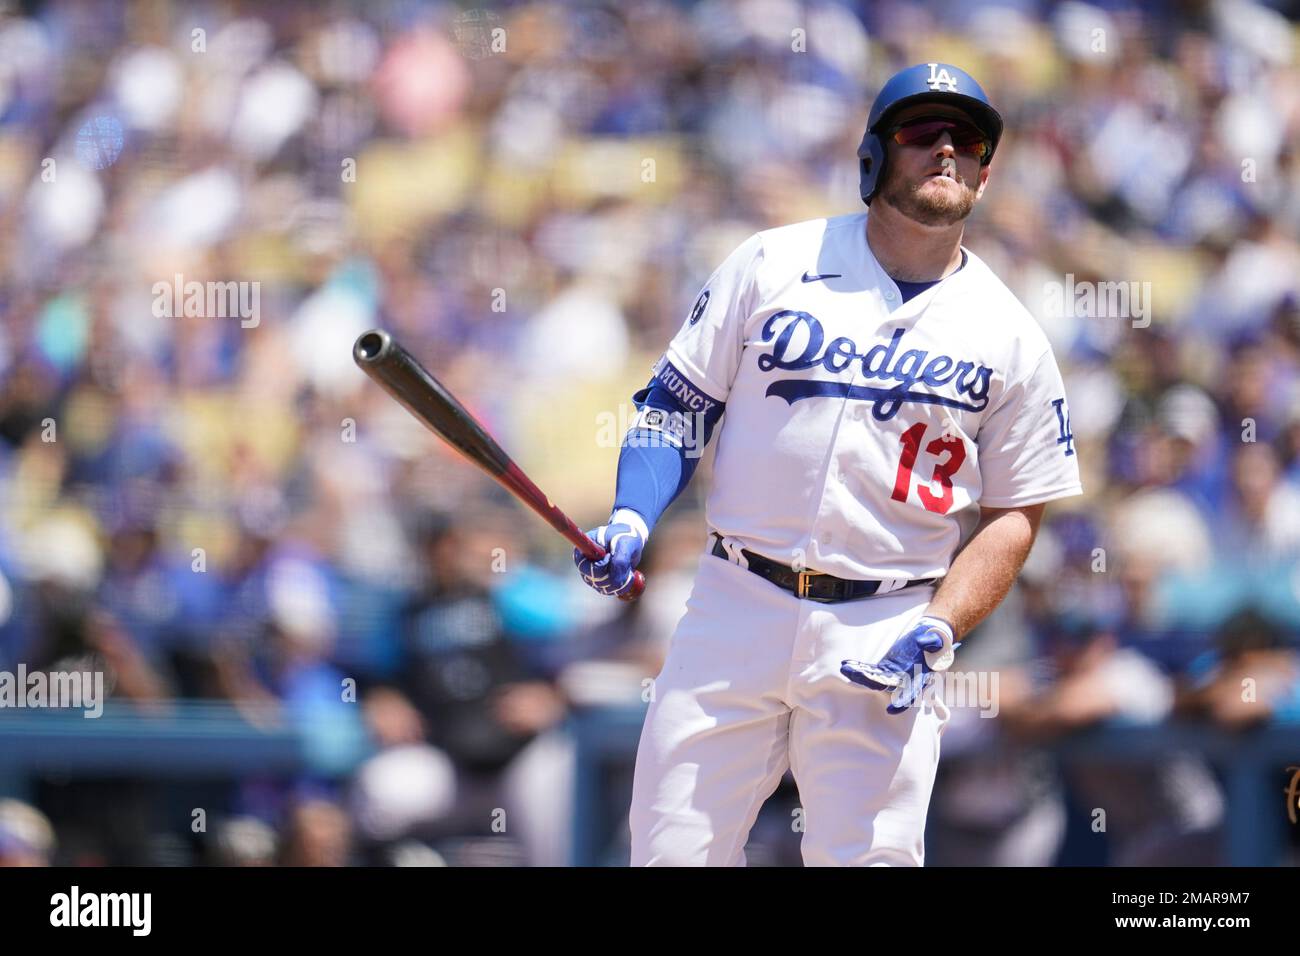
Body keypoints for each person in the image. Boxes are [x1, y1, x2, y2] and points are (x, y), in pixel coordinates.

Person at [574, 62, 1082, 866]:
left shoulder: (1010, 333)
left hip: (886, 625)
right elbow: (676, 408)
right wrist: (634, 515)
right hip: (736, 601)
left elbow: (1017, 513)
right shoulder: (770, 263)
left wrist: (942, 626)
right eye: (922, 132)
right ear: (874, 156)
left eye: (968, 140)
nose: (946, 150)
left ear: (985, 175)